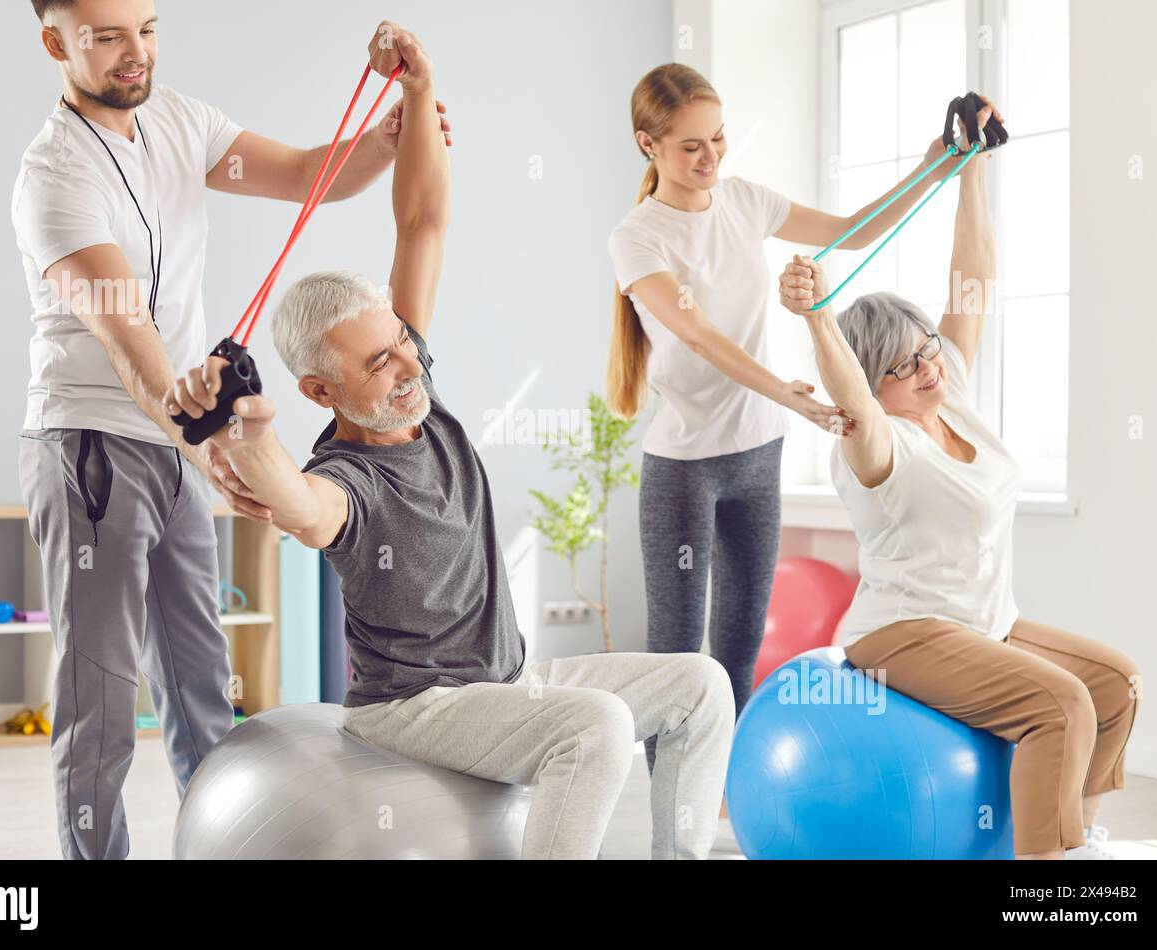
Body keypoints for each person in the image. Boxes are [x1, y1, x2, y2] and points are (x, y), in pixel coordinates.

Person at [165, 26, 734, 860]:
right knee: (600, 727)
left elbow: (422, 219)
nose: (407, 365)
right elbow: (299, 506)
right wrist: (245, 429)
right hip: (417, 709)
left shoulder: (408, 380)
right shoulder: (348, 478)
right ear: (320, 391)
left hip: (510, 681)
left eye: (402, 341)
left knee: (702, 684)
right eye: (378, 360)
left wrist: (419, 87)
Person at [12, 0, 447, 859]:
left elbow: (313, 175)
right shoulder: (53, 177)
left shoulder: (180, 120)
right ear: (55, 43)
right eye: (107, 38)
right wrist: (207, 438)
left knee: (202, 683)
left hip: (180, 439)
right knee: (100, 697)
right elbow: (131, 345)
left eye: (147, 27)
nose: (136, 54)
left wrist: (392, 134)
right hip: (94, 445)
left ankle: (220, 848)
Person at [778, 96, 1139, 860]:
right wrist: (816, 318)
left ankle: (1081, 838)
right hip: (901, 634)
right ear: (873, 387)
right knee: (1062, 704)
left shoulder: (954, 390)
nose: (927, 367)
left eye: (926, 348)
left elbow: (973, 281)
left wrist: (972, 165)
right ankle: (1049, 884)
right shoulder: (876, 446)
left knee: (1115, 684)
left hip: (984, 620)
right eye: (904, 368)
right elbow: (847, 390)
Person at [606, 64, 979, 775]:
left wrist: (934, 166)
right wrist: (789, 393)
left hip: (757, 454)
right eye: (691, 147)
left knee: (740, 642)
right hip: (681, 468)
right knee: (678, 657)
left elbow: (851, 230)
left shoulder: (742, 200)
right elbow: (701, 336)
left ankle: (730, 802)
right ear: (647, 145)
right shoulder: (638, 236)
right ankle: (670, 822)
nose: (711, 157)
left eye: (718, 138)